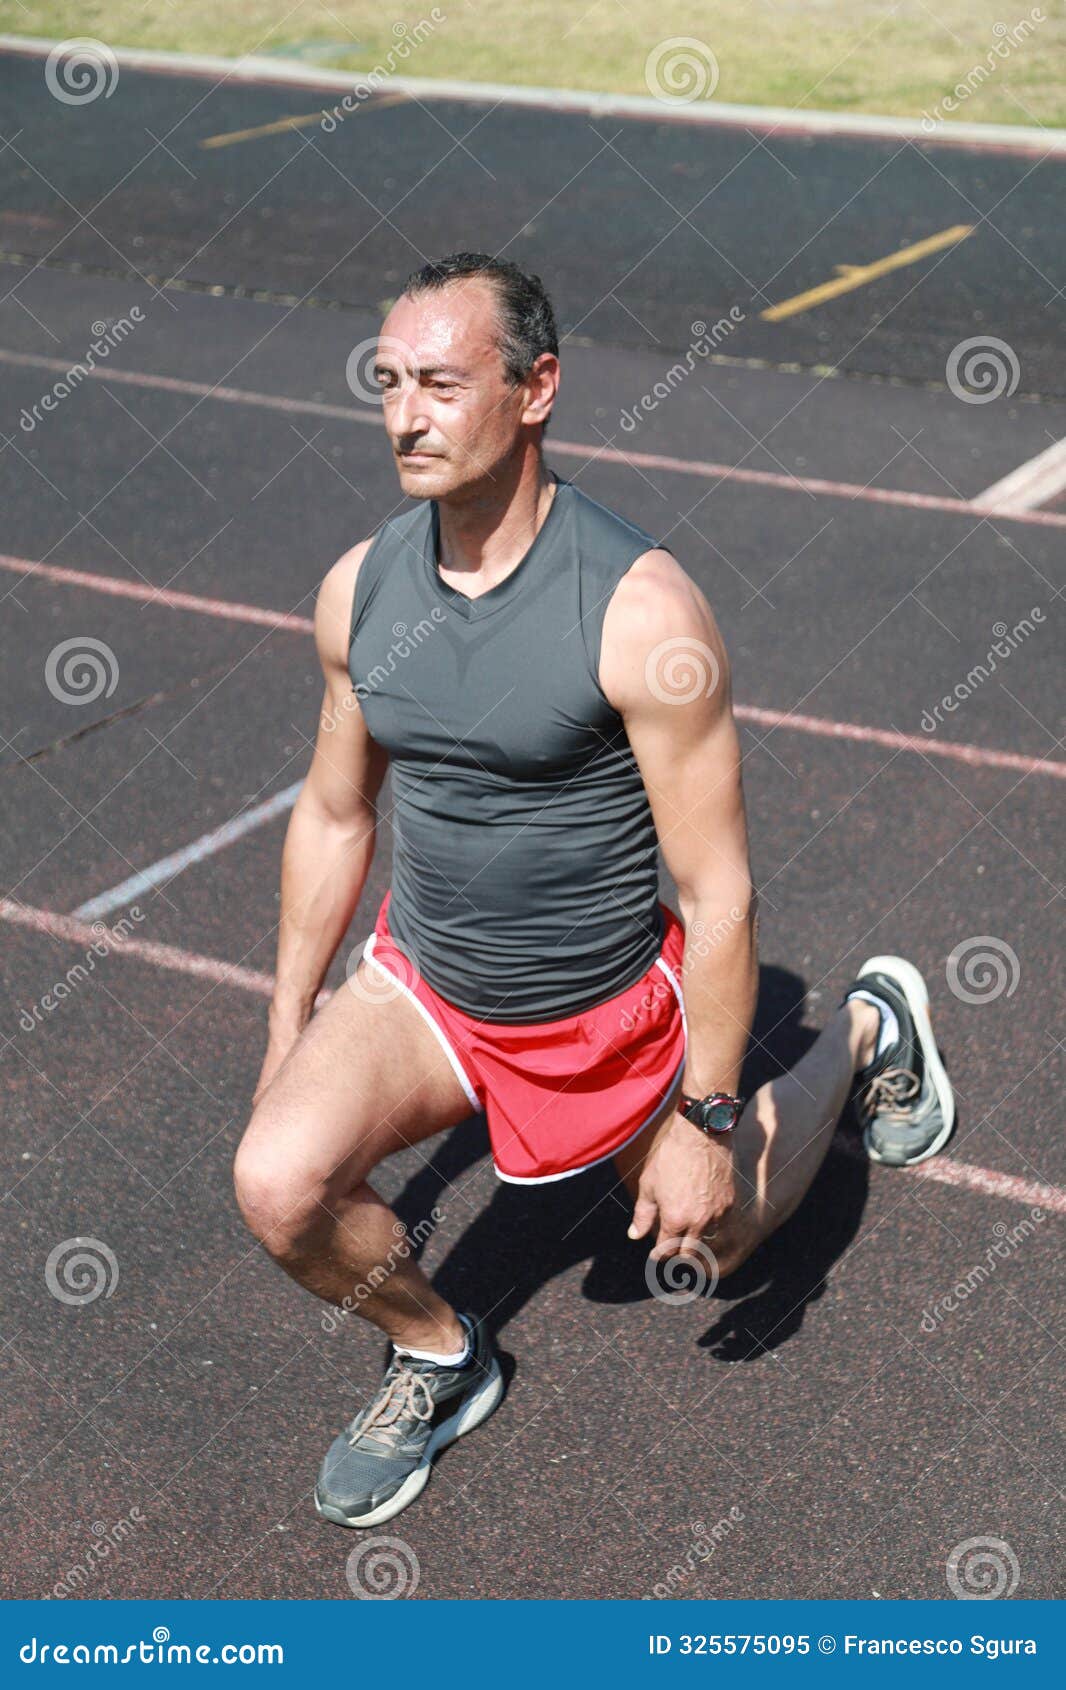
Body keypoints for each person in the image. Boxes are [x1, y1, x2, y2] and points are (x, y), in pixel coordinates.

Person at [232, 253, 955, 1529]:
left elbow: (718, 891)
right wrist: (289, 1019)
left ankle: (860, 1028)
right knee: (277, 1184)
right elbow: (337, 811)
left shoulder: (638, 611)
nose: (406, 414)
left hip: (602, 1006)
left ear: (536, 388)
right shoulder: (360, 589)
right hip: (431, 990)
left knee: (708, 1252)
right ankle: (442, 1356)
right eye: (390, 383)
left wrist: (706, 1116)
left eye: (443, 384)